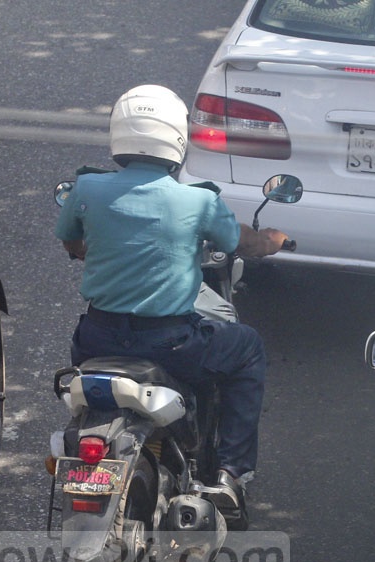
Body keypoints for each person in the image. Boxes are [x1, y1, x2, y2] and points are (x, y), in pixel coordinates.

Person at [55, 84, 290, 530]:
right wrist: (273, 241)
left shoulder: (87, 188)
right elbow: (244, 243)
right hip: (171, 345)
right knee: (247, 347)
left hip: (96, 340)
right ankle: (229, 473)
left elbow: (73, 242)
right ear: (177, 138)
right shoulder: (199, 200)